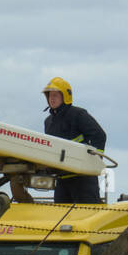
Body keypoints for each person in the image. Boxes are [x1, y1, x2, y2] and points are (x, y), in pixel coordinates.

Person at [41, 76, 106, 204]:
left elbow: (99, 135)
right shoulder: (48, 122)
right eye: (50, 96)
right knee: (61, 219)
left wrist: (94, 161)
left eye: (55, 95)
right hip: (62, 179)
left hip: (83, 179)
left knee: (87, 216)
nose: (52, 98)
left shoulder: (78, 115)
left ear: (65, 96)